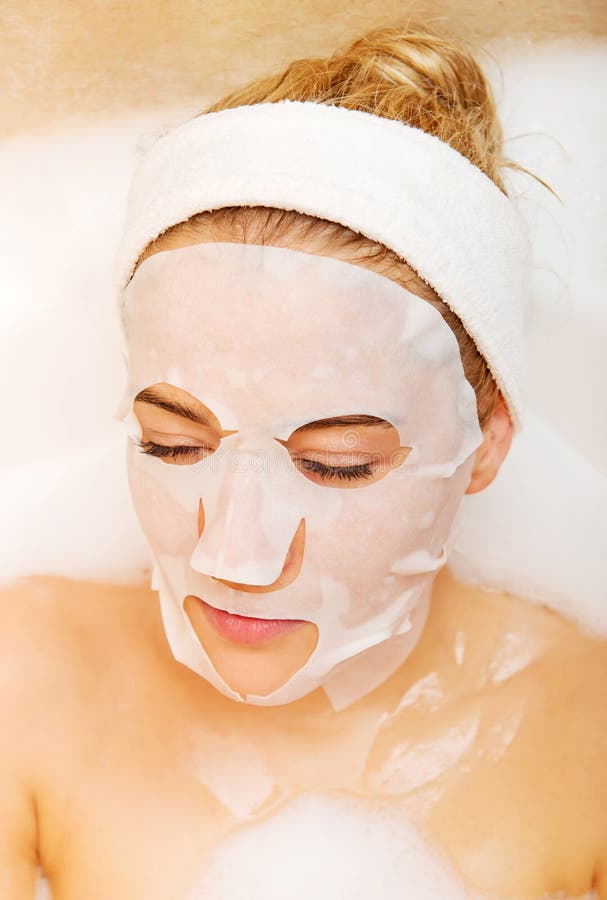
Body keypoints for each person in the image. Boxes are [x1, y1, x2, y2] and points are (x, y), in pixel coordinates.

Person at [1, 23, 605, 900]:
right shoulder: (27, 678)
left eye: (336, 463)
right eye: (175, 444)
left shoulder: (584, 741)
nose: (232, 557)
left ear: (487, 441)